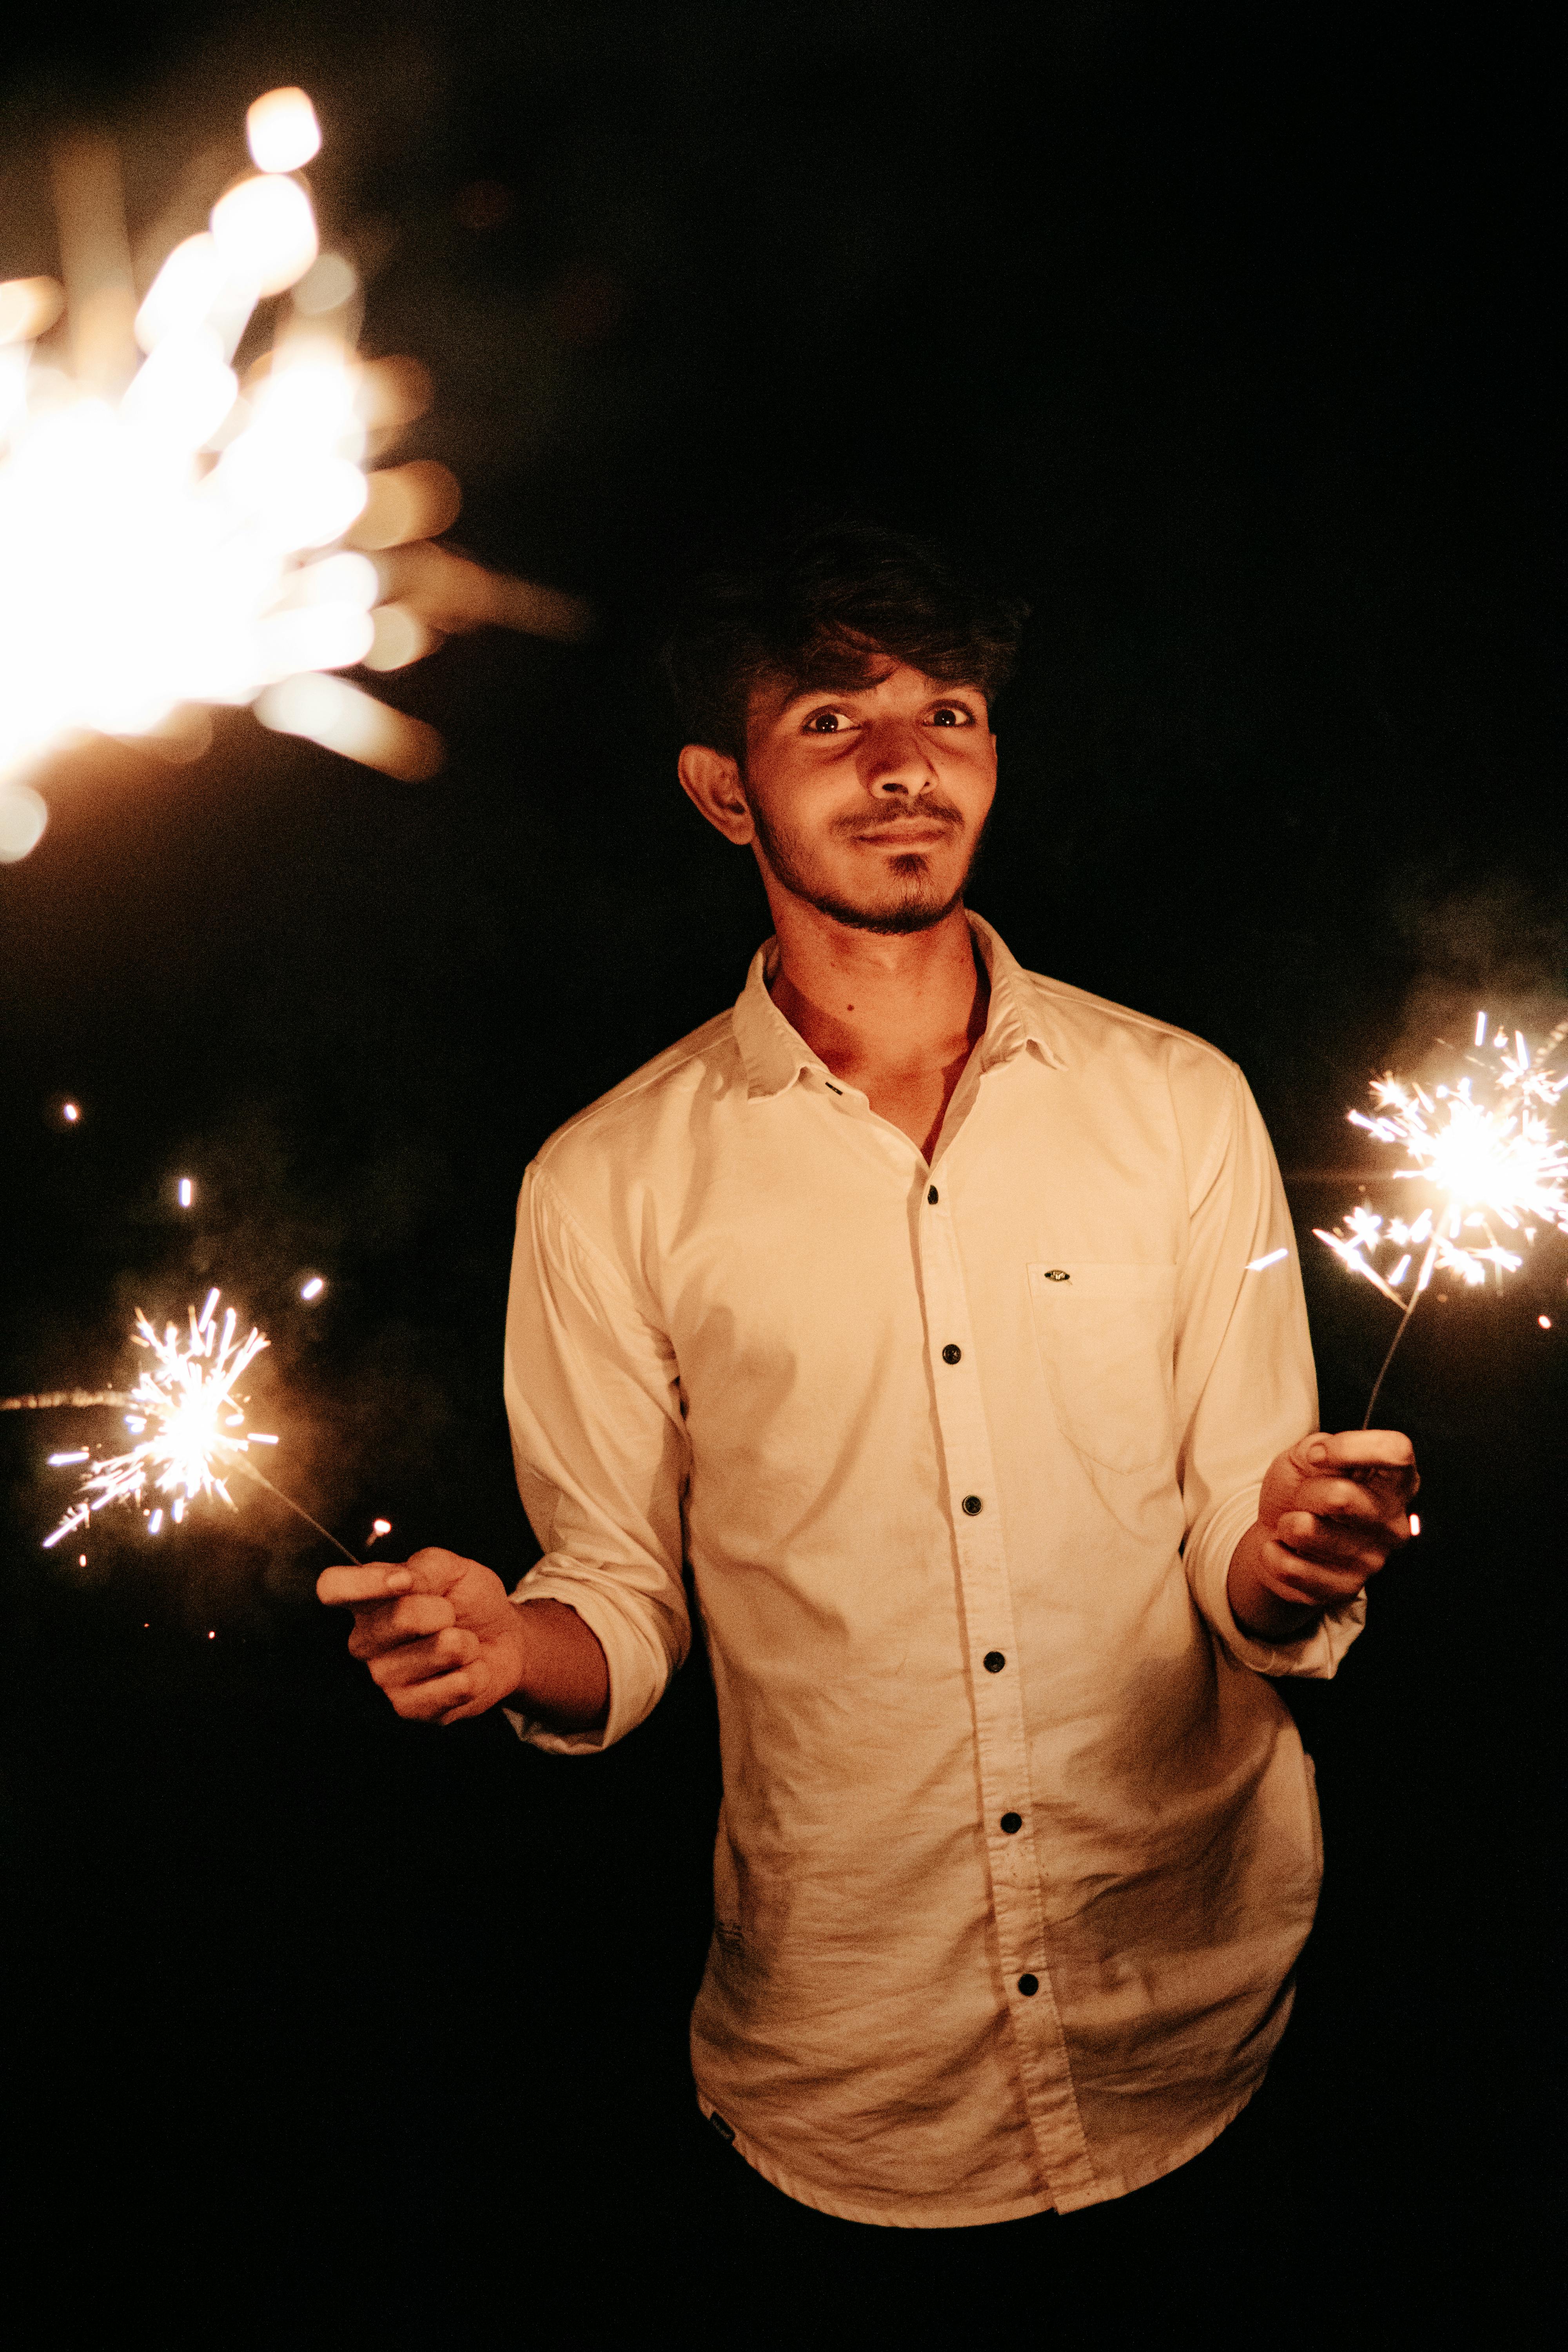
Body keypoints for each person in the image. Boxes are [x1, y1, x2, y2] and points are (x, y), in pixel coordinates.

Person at [319, 523, 1416, 2258]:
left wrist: (1296, 1558)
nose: (907, 766)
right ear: (723, 791)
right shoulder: (605, 1182)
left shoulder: (1179, 1105)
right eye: (832, 721)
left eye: (953, 714)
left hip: (1208, 2021)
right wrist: (508, 1648)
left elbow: (1239, 1536)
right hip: (848, 2081)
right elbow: (613, 1591)